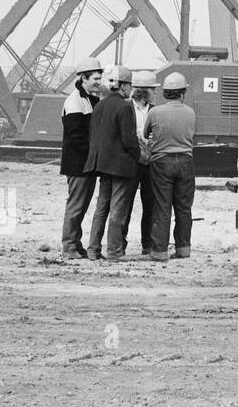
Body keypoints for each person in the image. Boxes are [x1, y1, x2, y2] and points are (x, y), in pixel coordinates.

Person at [84, 66, 142, 262]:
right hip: (120, 166)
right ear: (124, 87)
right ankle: (115, 252)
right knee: (117, 210)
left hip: (102, 164)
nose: (131, 89)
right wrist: (139, 156)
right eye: (130, 85)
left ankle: (93, 250)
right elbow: (129, 139)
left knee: (101, 208)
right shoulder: (125, 106)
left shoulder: (99, 106)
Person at [145, 71, 196, 260]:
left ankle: (159, 251)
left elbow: (145, 134)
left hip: (161, 162)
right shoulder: (190, 112)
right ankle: (184, 249)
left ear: (165, 92)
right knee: (184, 208)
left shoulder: (155, 112)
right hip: (185, 161)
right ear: (183, 92)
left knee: (162, 207)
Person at [59, 56, 104, 261]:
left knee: (81, 206)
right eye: (95, 77)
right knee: (76, 206)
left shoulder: (90, 99)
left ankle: (75, 244)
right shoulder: (75, 101)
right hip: (78, 164)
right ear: (83, 78)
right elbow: (75, 137)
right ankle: (68, 247)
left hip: (87, 164)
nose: (99, 81)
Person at [129, 71, 158, 255]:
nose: (155, 92)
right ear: (143, 91)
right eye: (152, 89)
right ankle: (120, 245)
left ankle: (147, 245)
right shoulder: (126, 108)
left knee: (150, 206)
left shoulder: (155, 110)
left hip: (149, 163)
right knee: (126, 204)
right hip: (131, 162)